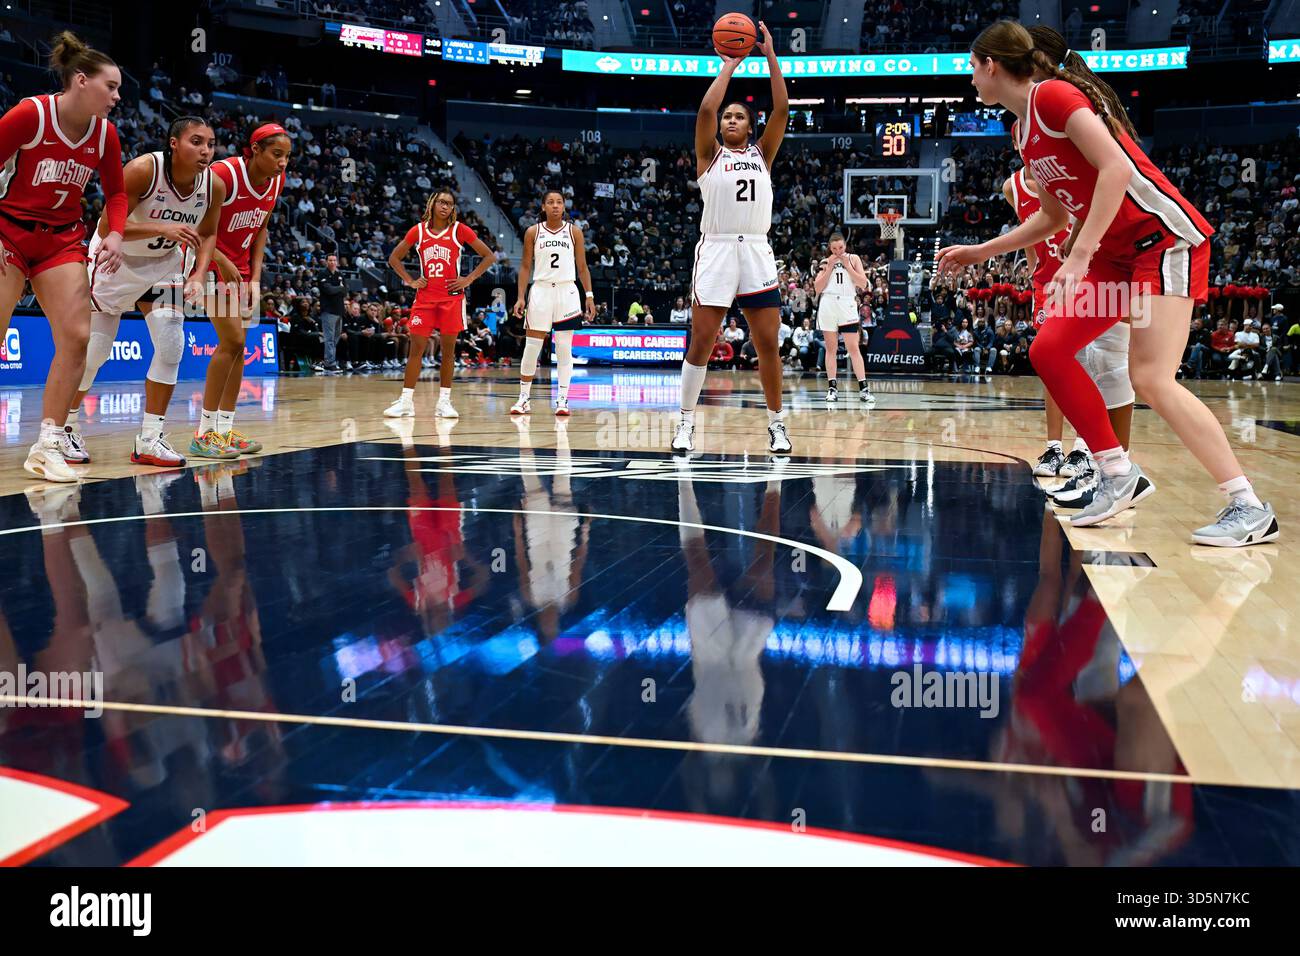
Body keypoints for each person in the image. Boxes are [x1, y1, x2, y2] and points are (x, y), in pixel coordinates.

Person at [938, 19, 1276, 546]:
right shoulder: (1021, 129)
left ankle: (1248, 505)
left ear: (992, 65)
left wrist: (1082, 253)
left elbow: (1116, 168)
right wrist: (982, 251)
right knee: (1049, 350)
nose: (971, 79)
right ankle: (1117, 473)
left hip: (1163, 241)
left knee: (1151, 378)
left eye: (972, 67)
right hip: (1118, 257)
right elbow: (1051, 216)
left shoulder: (1053, 97)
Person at [0, 32, 127, 482]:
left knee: (76, 337)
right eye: (110, 86)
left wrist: (115, 234)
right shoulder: (31, 114)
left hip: (61, 239)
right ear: (80, 80)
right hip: (9, 233)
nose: (116, 96)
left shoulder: (105, 134)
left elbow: (115, 193)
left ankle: (48, 444)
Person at [70, 116, 225, 468]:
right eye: (196, 142)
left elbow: (210, 232)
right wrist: (163, 227)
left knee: (172, 345)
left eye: (211, 144)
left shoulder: (212, 185)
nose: (205, 151)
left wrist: (199, 273)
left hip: (164, 266)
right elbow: (109, 222)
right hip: (117, 261)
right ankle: (66, 424)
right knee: (94, 352)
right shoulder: (143, 170)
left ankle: (150, 439)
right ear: (174, 144)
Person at [672, 20, 791, 455]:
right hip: (718, 248)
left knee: (767, 345)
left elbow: (782, 110)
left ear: (749, 125)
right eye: (728, 116)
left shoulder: (763, 153)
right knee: (702, 340)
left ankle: (777, 425)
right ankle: (685, 423)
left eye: (740, 115)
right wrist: (730, 66)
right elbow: (704, 112)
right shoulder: (709, 155)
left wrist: (770, 55)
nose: (731, 119)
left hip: (756, 249)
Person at [191, 122, 290, 459]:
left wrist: (256, 277)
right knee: (232, 341)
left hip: (241, 271)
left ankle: (224, 430)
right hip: (206, 263)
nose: (283, 163)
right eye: (277, 154)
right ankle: (204, 433)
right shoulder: (224, 175)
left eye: (287, 157)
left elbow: (261, 229)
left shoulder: (276, 182)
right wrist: (219, 258)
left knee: (239, 346)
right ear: (256, 149)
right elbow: (192, 221)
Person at [384, 188, 497, 420]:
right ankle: (406, 402)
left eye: (450, 204)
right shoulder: (419, 231)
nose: (445, 206)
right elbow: (394, 258)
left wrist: (468, 279)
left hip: (451, 299)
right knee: (416, 350)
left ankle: (444, 402)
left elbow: (489, 256)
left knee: (448, 352)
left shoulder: (460, 230)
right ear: (432, 204)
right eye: (442, 202)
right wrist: (410, 280)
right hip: (424, 299)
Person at [510, 188, 595, 417]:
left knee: (565, 349)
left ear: (564, 206)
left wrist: (589, 296)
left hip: (567, 291)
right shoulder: (533, 232)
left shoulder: (574, 231)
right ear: (543, 207)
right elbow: (526, 266)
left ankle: (563, 399)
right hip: (541, 291)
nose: (555, 205)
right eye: (550, 202)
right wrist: (520, 297)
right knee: (532, 347)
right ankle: (523, 398)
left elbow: (583, 267)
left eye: (559, 202)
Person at [812, 233, 873, 404]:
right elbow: (817, 287)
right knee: (830, 349)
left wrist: (848, 266)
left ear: (845, 246)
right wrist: (830, 267)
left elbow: (863, 283)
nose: (838, 251)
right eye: (834, 248)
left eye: (840, 247)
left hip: (847, 304)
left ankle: (864, 389)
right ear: (830, 248)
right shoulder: (825, 262)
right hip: (828, 304)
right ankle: (832, 389)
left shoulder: (853, 259)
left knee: (853, 348)